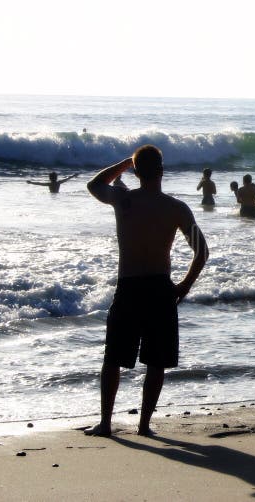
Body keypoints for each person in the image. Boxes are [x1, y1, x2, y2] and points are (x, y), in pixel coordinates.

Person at [84, 144, 209, 437]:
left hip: (129, 286)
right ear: (162, 171)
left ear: (137, 172)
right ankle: (143, 426)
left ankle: (105, 423)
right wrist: (184, 287)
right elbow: (202, 252)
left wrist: (126, 162)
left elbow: (94, 184)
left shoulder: (122, 199)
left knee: (113, 357)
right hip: (160, 289)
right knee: (156, 361)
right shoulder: (176, 208)